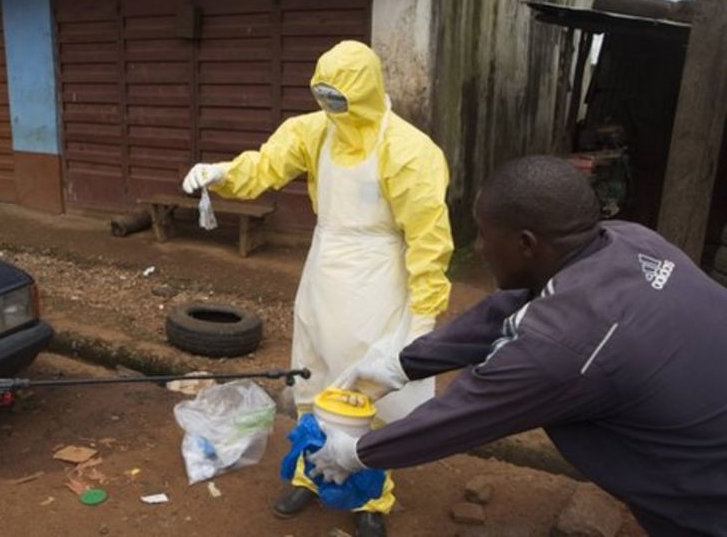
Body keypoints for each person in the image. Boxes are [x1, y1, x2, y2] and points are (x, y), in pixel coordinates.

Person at [310, 155, 727, 536]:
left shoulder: (562, 349)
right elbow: (509, 309)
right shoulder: (630, 241)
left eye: (483, 235)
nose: (477, 248)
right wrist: (402, 363)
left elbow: (464, 415)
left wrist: (358, 452)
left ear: (527, 244)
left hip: (705, 497)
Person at [182, 40, 453, 536]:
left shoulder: (410, 150)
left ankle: (373, 496)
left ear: (366, 91)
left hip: (378, 275)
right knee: (314, 378)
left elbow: (428, 237)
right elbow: (266, 165)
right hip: (325, 267)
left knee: (365, 390)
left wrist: (425, 311)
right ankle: (310, 473)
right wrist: (222, 175)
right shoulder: (313, 132)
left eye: (338, 98)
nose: (330, 108)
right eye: (322, 96)